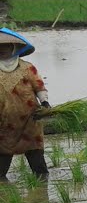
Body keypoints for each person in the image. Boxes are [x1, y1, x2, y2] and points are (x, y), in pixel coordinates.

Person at [0, 28, 49, 180]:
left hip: (30, 120)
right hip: (4, 124)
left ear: (14, 47)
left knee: (36, 156)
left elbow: (39, 87)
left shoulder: (27, 68)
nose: (2, 49)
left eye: (6, 46)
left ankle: (42, 185)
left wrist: (45, 102)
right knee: (2, 157)